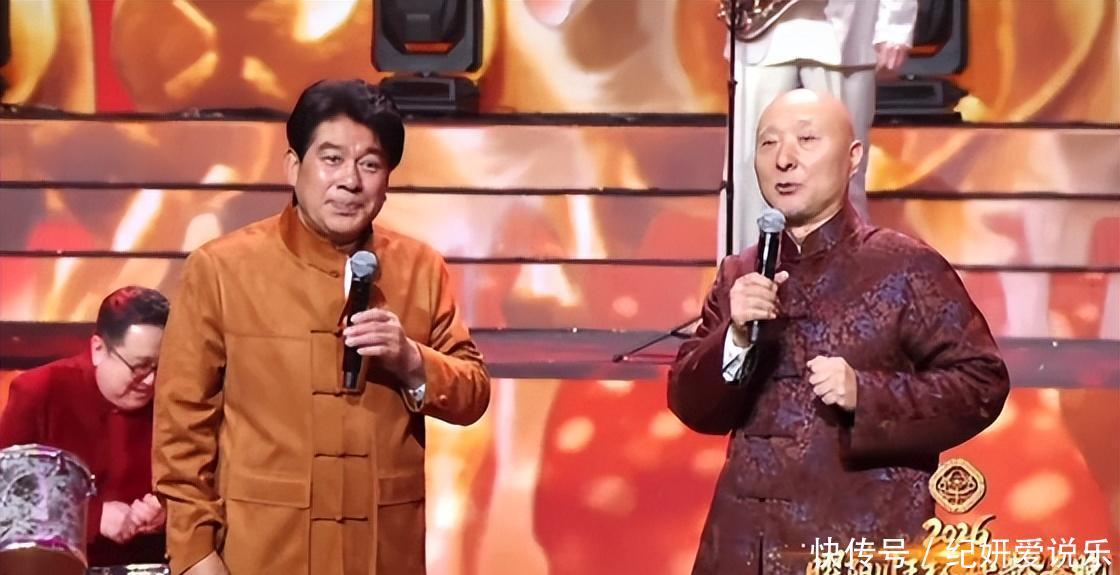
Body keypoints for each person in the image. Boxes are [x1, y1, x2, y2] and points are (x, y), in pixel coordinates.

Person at [152, 79, 490, 575]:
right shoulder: (221, 269)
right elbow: (182, 430)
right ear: (294, 166)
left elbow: (473, 392)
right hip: (264, 553)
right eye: (332, 159)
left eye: (369, 164)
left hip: (383, 554)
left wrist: (411, 359)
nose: (350, 180)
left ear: (387, 180)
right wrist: (196, 556)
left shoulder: (421, 269)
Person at [668, 89, 1010, 574]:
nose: (784, 159)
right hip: (744, 547)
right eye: (768, 143)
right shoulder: (739, 273)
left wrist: (866, 394)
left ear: (853, 158)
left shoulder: (905, 266)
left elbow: (981, 382)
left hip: (861, 543)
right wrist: (735, 338)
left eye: (806, 140)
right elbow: (690, 403)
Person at [724, 0, 918, 253]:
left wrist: (896, 23)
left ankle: (847, 273)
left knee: (843, 168)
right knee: (749, 171)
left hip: (846, 28)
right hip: (759, 32)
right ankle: (745, 272)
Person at [0, 286, 169, 566]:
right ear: (98, 349)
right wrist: (91, 517)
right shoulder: (39, 391)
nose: (151, 381)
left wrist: (167, 512)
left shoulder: (173, 400)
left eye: (160, 367)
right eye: (140, 366)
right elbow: (7, 496)